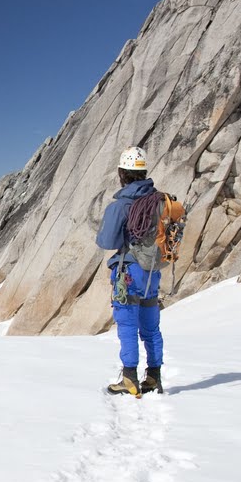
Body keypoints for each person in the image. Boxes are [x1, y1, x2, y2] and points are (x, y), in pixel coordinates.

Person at [96, 146, 164, 397]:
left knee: (127, 325)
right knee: (151, 327)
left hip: (129, 272)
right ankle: (154, 376)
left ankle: (130, 378)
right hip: (152, 272)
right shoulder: (158, 200)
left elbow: (107, 241)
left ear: (121, 174)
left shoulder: (121, 205)